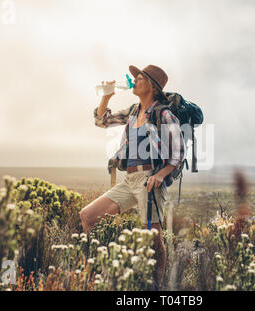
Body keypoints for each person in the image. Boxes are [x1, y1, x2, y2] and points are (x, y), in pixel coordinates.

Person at [80, 64, 185, 289]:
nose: (134, 81)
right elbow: (102, 121)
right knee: (88, 216)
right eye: (135, 78)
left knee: (153, 235)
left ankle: (155, 285)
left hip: (150, 180)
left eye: (140, 78)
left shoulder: (164, 114)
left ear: (152, 87)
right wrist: (106, 98)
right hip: (128, 179)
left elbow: (178, 153)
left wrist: (161, 175)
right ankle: (103, 273)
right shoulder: (133, 111)